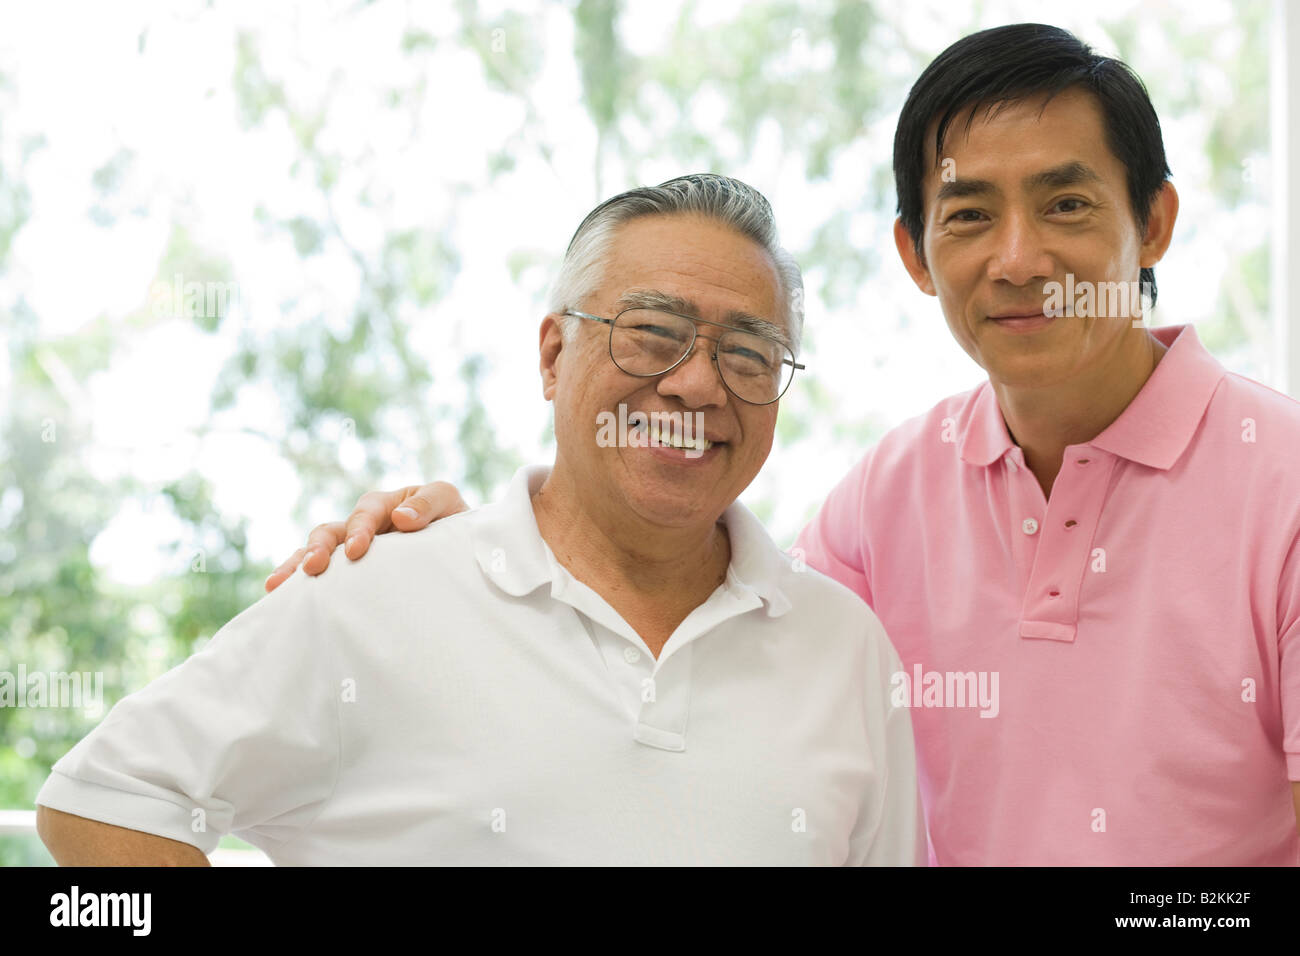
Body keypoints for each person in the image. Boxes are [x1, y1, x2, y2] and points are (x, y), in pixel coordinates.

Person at [279, 24, 1300, 865]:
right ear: (914, 253)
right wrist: (491, 549)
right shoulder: (887, 494)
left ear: (1154, 222)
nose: (1018, 257)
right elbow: (711, 631)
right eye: (969, 214)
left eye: (1066, 203)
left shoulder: (1280, 479)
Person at [35, 174, 925, 866]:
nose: (697, 383)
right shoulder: (376, 592)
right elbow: (100, 803)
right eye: (652, 331)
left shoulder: (844, 648)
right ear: (552, 355)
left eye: (746, 352)